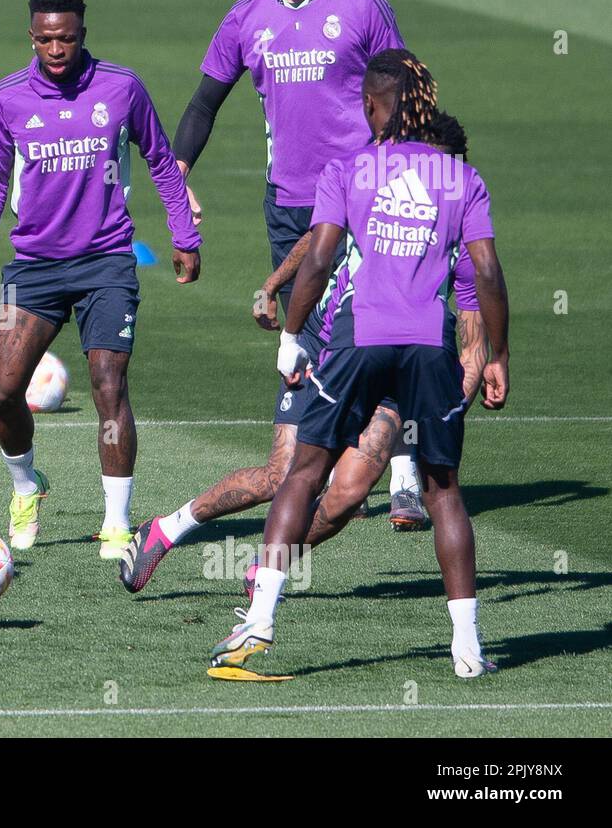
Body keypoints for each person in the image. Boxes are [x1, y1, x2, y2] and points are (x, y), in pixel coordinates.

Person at [209, 49, 509, 679]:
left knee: (303, 474)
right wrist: (497, 354)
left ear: (374, 103)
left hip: (357, 340)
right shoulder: (462, 178)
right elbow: (485, 273)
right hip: (428, 347)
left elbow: (318, 259)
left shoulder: (351, 168)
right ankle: (469, 648)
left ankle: (259, 623)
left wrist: (293, 334)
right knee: (444, 491)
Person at [170, 0, 427, 527]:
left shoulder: (362, 7)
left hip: (365, 197)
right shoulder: (245, 16)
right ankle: (328, 465)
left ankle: (403, 470)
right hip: (288, 204)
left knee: (382, 321)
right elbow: (205, 103)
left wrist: (407, 166)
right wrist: (177, 176)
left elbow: (405, 85)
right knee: (315, 338)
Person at [0, 0, 202, 561]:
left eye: (66, 38)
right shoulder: (7, 98)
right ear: (31, 36)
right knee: (2, 391)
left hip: (107, 263)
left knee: (108, 388)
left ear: (82, 34)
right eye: (45, 39)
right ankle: (26, 487)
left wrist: (184, 236)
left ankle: (116, 524)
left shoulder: (121, 87)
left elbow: (162, 161)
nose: (55, 48)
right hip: (36, 265)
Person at [120, 253, 486, 593]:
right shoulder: (367, 189)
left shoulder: (459, 224)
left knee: (349, 494)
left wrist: (447, 415)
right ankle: (168, 529)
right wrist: (288, 330)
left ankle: (269, 565)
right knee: (281, 475)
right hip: (323, 341)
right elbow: (317, 241)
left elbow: (474, 344)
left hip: (393, 359)